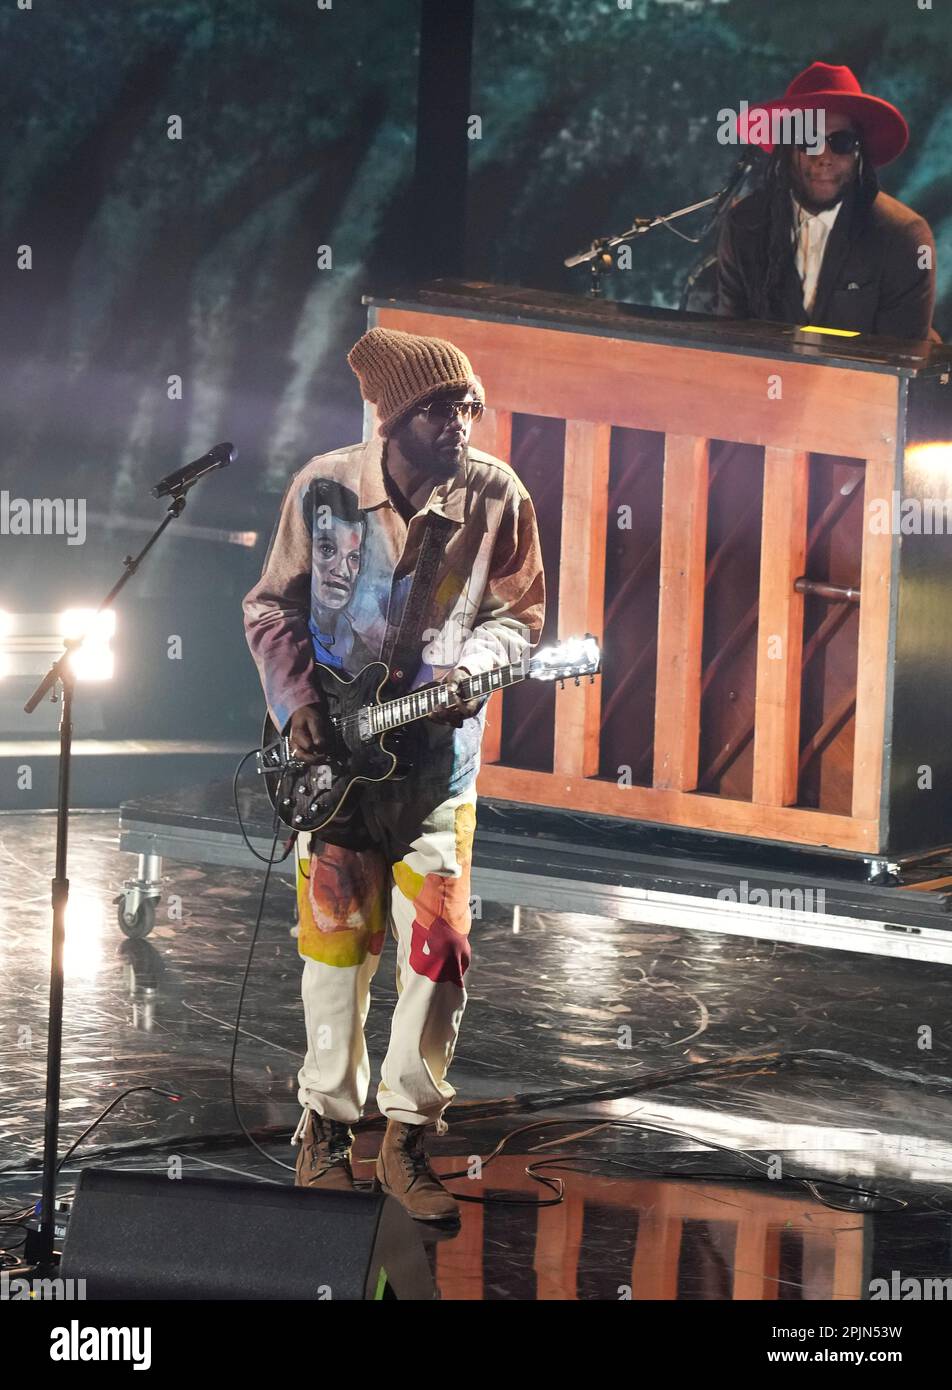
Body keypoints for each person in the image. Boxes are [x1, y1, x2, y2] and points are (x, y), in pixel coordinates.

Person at [242, 327, 545, 1222]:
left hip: (434, 770)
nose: (460, 421)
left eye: (465, 406)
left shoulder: (498, 497)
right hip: (333, 763)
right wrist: (297, 704)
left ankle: (409, 1137)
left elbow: (521, 618)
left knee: (439, 948)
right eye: (438, 409)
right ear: (393, 418)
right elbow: (270, 607)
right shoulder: (324, 488)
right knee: (337, 946)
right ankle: (327, 1129)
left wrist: (474, 664)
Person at [716, 62, 938, 341]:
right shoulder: (745, 225)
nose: (824, 157)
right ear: (785, 148)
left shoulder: (903, 236)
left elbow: (900, 364)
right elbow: (729, 340)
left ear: (860, 153)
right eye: (809, 140)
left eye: (842, 142)